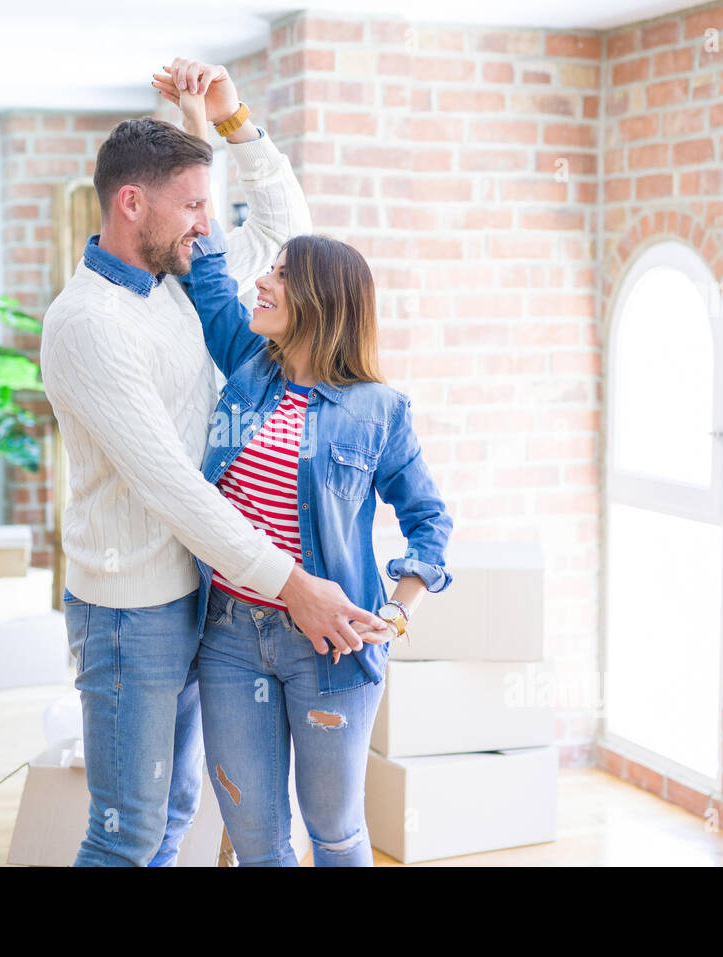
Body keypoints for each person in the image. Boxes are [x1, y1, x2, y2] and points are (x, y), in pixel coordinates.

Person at [39, 57, 392, 867]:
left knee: (171, 815)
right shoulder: (90, 325)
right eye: (194, 206)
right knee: (127, 829)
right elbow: (176, 490)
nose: (207, 224)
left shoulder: (172, 285)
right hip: (133, 611)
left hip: (198, 593)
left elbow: (285, 235)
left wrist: (225, 124)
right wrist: (296, 586)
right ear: (132, 204)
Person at [166, 86, 454, 866]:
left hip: (327, 643)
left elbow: (430, 522)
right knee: (259, 842)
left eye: (282, 275)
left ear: (320, 302)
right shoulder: (247, 364)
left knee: (335, 832)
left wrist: (395, 614)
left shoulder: (378, 408)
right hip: (229, 637)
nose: (264, 282)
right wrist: (203, 129)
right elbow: (214, 263)